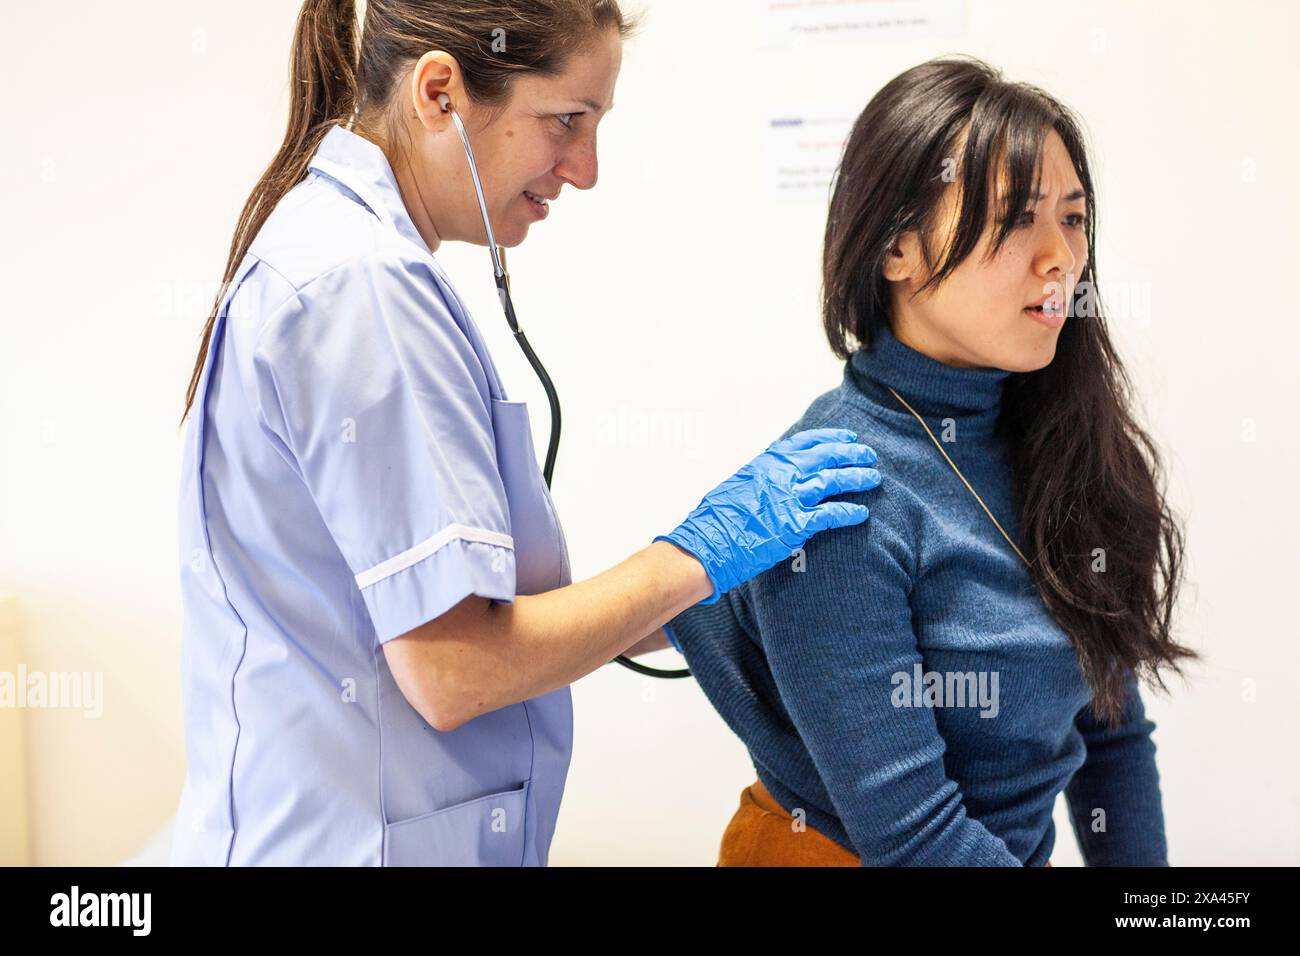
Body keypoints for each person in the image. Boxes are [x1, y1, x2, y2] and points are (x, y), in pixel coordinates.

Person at [170, 0, 882, 866]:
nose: (584, 170)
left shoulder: (357, 263)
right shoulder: (361, 291)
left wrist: (725, 584)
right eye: (566, 122)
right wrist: (699, 552)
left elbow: (485, 621)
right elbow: (456, 668)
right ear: (440, 93)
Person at [666, 56, 1196, 867]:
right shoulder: (834, 494)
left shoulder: (1063, 442)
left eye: (1075, 218)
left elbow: (1113, 741)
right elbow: (913, 837)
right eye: (1018, 218)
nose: (1061, 257)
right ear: (896, 251)